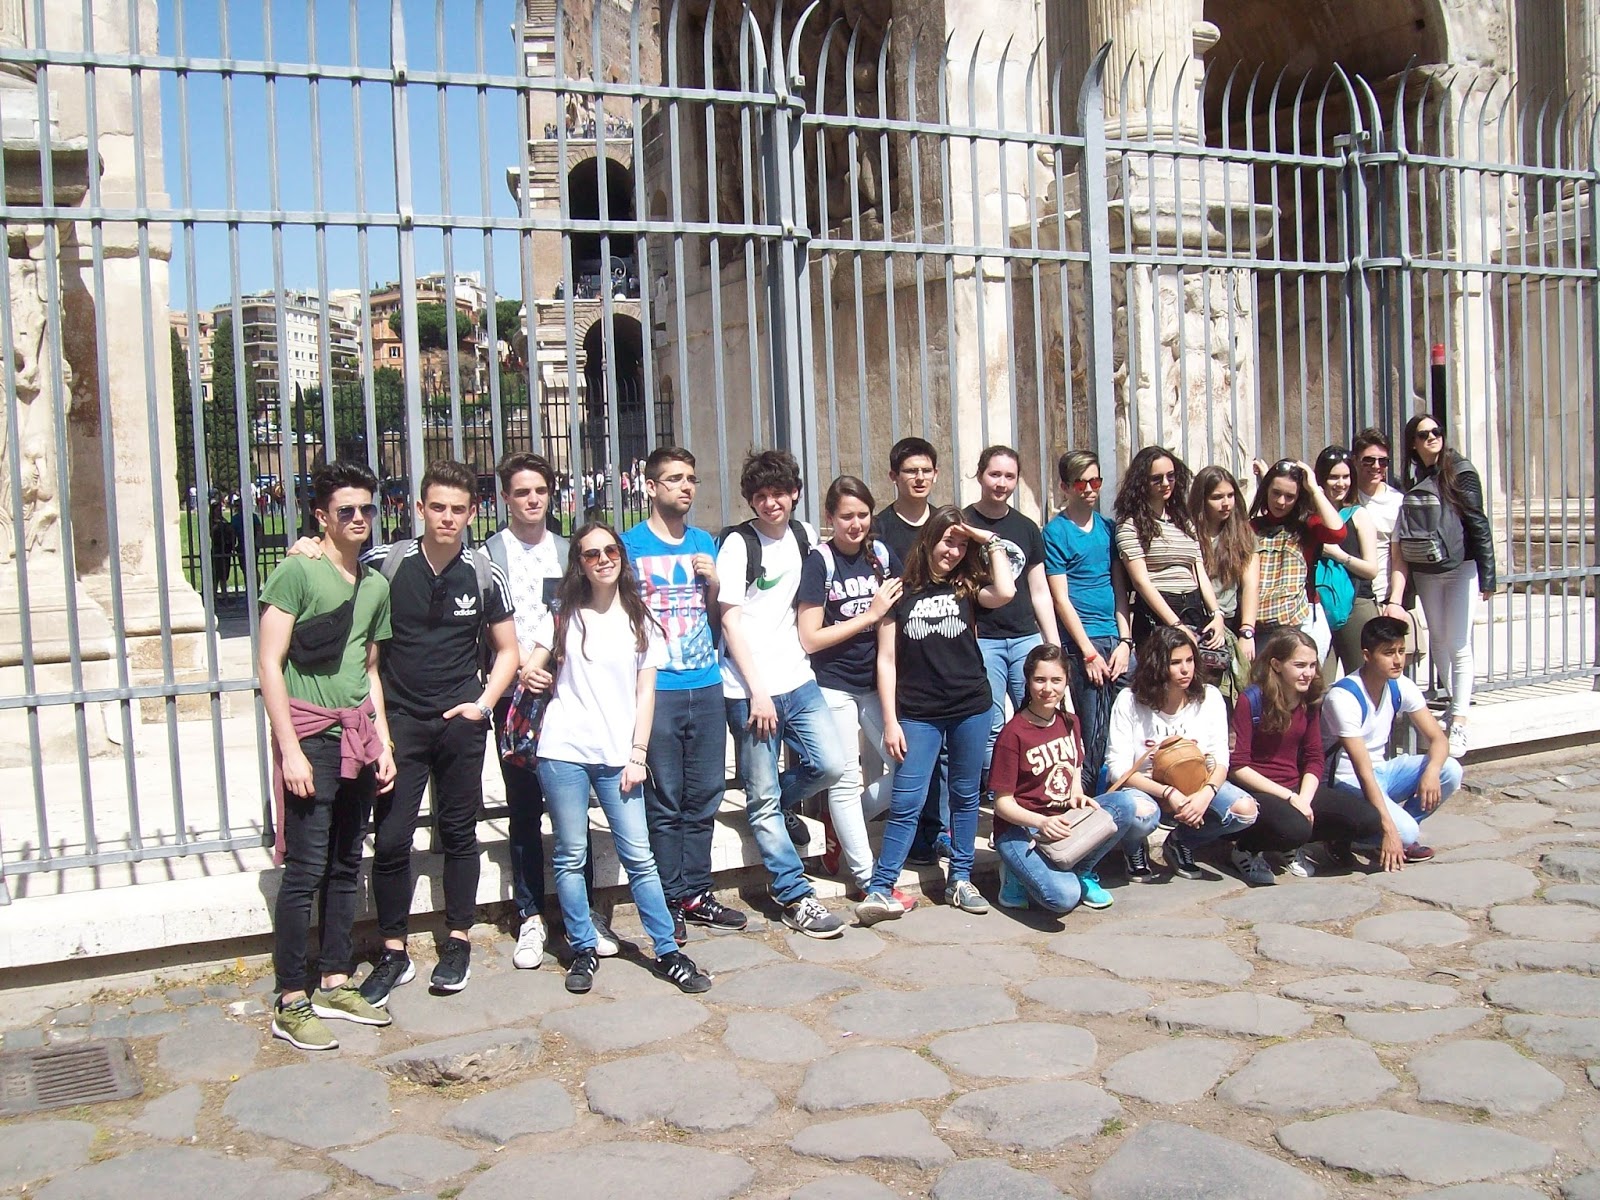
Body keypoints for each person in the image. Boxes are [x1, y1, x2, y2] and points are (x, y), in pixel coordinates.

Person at [347, 460, 518, 1004]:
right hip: (400, 724)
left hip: (460, 722)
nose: (447, 518)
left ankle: (458, 939)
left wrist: (483, 704)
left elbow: (508, 649)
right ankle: (393, 951)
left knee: (459, 832)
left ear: (472, 513)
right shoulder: (386, 562)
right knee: (394, 837)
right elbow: (333, 562)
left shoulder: (485, 572)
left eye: (458, 509)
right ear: (419, 509)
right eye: (437, 507)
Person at [529, 523, 713, 995]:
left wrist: (637, 753)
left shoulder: (642, 619)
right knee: (571, 855)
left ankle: (667, 950)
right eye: (591, 554)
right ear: (580, 563)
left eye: (610, 550)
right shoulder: (563, 614)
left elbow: (645, 694)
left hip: (619, 756)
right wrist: (533, 671)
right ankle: (582, 946)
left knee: (640, 856)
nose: (603, 559)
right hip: (563, 749)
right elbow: (531, 659)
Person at [258, 462, 396, 1051]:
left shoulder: (375, 584)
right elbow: (268, 662)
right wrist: (289, 749)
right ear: (321, 516)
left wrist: (383, 739)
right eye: (346, 511)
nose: (359, 519)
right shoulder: (297, 571)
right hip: (311, 737)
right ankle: (292, 996)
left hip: (357, 736)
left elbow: (369, 668)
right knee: (306, 870)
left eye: (367, 508)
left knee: (346, 863)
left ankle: (336, 978)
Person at [484, 452, 615, 970]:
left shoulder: (570, 551)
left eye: (539, 490)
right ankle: (530, 914)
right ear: (505, 498)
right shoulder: (486, 555)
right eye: (521, 492)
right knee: (522, 812)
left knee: (572, 812)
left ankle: (582, 915)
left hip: (569, 697)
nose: (532, 500)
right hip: (515, 699)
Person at [859, 505, 1016, 923]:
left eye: (962, 544)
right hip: (918, 714)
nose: (954, 550)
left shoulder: (969, 587)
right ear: (929, 540)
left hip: (970, 706)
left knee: (965, 797)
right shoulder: (899, 590)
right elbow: (887, 660)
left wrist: (988, 540)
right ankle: (881, 887)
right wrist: (891, 720)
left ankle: (960, 879)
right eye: (949, 540)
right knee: (908, 799)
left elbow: (1007, 591)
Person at [716, 449, 848, 939]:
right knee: (763, 792)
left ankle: (774, 808)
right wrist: (758, 692)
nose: (771, 503)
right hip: (750, 688)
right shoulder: (737, 545)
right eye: (761, 496)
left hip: (798, 677)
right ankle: (793, 892)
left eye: (779, 494)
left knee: (829, 764)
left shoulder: (804, 536)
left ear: (795, 493)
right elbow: (730, 620)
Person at [623, 447, 749, 941]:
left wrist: (716, 582)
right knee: (665, 798)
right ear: (651, 487)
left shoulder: (704, 542)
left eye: (691, 479)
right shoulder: (629, 545)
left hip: (707, 682)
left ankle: (697, 892)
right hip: (660, 687)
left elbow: (720, 615)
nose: (685, 487)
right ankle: (669, 896)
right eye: (674, 478)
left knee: (705, 795)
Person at [796, 475, 910, 903]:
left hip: (873, 682)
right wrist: (868, 614)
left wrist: (892, 713)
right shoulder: (819, 562)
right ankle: (868, 880)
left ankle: (839, 825)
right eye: (846, 516)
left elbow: (887, 640)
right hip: (832, 685)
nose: (856, 524)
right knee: (844, 779)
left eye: (863, 515)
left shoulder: (882, 556)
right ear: (830, 518)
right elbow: (809, 638)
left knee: (908, 767)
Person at [990, 644, 1160, 914]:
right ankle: (1014, 871)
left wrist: (1077, 793)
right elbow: (1002, 804)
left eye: (1056, 680)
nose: (1048, 689)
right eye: (1040, 680)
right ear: (1028, 681)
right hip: (1023, 829)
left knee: (1125, 805)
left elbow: (1075, 766)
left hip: (1065, 822)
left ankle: (1081, 869)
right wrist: (1041, 821)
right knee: (1064, 897)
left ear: (1067, 681)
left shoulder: (1070, 721)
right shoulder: (1013, 734)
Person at [1105, 626, 1257, 879]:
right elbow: (1117, 769)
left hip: (1197, 782)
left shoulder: (1209, 698)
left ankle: (1181, 842)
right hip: (1146, 786)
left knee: (1244, 811)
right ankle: (1133, 847)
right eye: (1175, 663)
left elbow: (1221, 758)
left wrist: (1205, 795)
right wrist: (1168, 792)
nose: (1185, 669)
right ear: (1157, 666)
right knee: (1143, 816)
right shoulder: (1129, 701)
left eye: (1189, 661)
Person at [1387, 414, 1497, 757]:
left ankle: (1460, 721)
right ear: (1414, 443)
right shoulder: (1413, 477)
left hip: (1461, 566)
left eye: (1437, 431)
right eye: (1424, 434)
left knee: (1459, 642)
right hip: (1427, 569)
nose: (1432, 437)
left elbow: (1478, 522)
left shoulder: (1460, 471)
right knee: (1438, 638)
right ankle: (1454, 702)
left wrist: (1488, 574)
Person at [1319, 614, 1460, 868]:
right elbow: (1361, 771)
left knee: (1450, 770)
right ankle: (1351, 835)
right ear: (1367, 655)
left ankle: (1396, 838)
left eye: (1401, 651)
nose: (1398, 660)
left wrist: (1431, 771)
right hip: (1345, 781)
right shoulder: (1344, 697)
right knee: (1404, 832)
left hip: (1382, 772)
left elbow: (1438, 738)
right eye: (1388, 653)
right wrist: (1389, 827)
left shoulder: (1400, 685)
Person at [875, 436, 952, 864]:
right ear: (894, 477)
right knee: (910, 752)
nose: (919, 478)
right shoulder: (881, 528)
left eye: (926, 471)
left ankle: (935, 833)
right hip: (898, 651)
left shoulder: (944, 522)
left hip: (942, 652)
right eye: (910, 471)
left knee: (942, 754)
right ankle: (909, 836)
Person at [962, 445, 1062, 775]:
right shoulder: (964, 523)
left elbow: (1039, 591)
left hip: (1025, 637)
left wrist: (1053, 644)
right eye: (994, 474)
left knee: (1034, 715)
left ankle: (1033, 793)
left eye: (1009, 476)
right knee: (990, 724)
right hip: (983, 639)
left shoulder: (1026, 527)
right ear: (979, 475)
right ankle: (999, 796)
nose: (1001, 483)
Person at [1044, 449, 1132, 794]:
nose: (1090, 488)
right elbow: (1060, 598)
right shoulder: (1056, 532)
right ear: (1065, 487)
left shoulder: (1109, 530)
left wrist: (1126, 641)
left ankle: (1119, 796)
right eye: (1081, 482)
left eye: (1095, 481)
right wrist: (1087, 653)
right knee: (1091, 728)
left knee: (1122, 726)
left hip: (1116, 640)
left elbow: (1119, 588)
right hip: (1084, 642)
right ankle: (1088, 802)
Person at [1225, 629, 1331, 885]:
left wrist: (1303, 798)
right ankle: (1246, 848)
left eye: (1312, 665)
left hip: (1295, 786)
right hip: (1259, 790)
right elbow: (1238, 766)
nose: (1308, 673)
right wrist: (1291, 798)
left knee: (1364, 819)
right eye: (1300, 665)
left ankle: (1290, 845)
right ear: (1276, 665)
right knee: (1296, 827)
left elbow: (1315, 756)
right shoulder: (1252, 700)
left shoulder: (1310, 700)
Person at [1112, 446, 1227, 653]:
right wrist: (1176, 625)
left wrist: (1217, 614)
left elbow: (1198, 570)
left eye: (1171, 476)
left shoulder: (1184, 522)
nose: (1165, 484)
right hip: (1157, 611)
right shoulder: (1130, 525)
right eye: (1156, 479)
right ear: (1142, 482)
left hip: (1193, 606)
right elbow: (1141, 581)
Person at [1246, 458, 1346, 664]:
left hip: (1305, 617)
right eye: (1276, 493)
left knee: (1306, 685)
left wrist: (1314, 489)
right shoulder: (1252, 527)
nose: (1281, 502)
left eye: (1290, 496)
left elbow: (1338, 532)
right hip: (1263, 622)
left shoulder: (1307, 525)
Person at [1189, 464, 1259, 700]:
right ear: (1202, 500)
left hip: (1228, 624)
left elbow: (1250, 585)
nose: (1226, 503)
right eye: (1217, 497)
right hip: (1193, 623)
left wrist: (1247, 632)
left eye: (1230, 495)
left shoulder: (1243, 534)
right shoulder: (1188, 533)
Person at [1313, 446, 1381, 674]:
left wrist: (1339, 555)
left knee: (1365, 678)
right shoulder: (1310, 517)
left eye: (1345, 477)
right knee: (1319, 684)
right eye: (1333, 477)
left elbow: (1372, 569)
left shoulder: (1358, 514)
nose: (1340, 483)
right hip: (1319, 607)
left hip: (1357, 603)